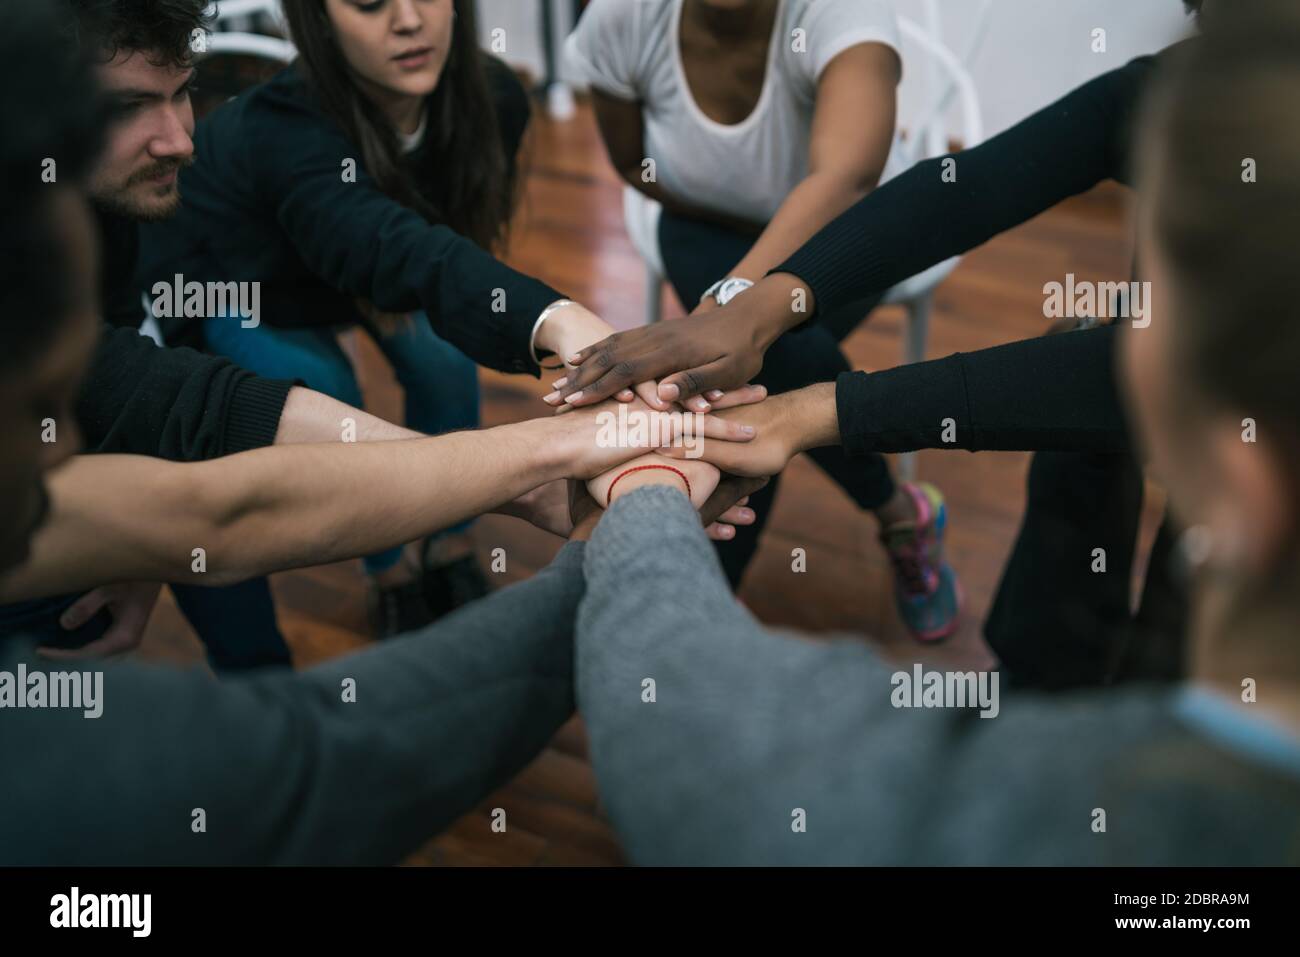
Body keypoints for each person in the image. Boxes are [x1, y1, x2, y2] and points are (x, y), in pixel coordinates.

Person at [570, 0, 1300, 864]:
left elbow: (680, 712)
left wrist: (648, 492)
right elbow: (977, 185)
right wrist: (766, 309)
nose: (1121, 311)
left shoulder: (957, 808)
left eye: (1150, 304)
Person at [556, 0, 1209, 690]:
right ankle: (901, 526)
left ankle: (706, 608)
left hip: (1243, 488)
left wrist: (810, 408)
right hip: (1189, 448)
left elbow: (1155, 376)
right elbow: (969, 188)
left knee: (1187, 670)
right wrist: (749, 314)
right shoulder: (1183, 90)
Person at [132, 0, 677, 636]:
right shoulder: (278, 124)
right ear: (316, 21)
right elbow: (379, 239)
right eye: (369, 3)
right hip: (251, 283)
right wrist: (556, 316)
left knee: (445, 367)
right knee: (327, 400)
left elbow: (431, 243)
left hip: (378, 267)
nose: (409, 19)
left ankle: (446, 544)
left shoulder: (495, 95)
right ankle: (388, 567)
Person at [563, 0, 962, 641]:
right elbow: (632, 163)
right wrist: (732, 270)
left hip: (843, 236)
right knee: (761, 369)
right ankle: (898, 513)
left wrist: (734, 305)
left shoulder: (840, 13)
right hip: (701, 222)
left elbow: (848, 175)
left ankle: (698, 618)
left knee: (759, 361)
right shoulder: (622, 16)